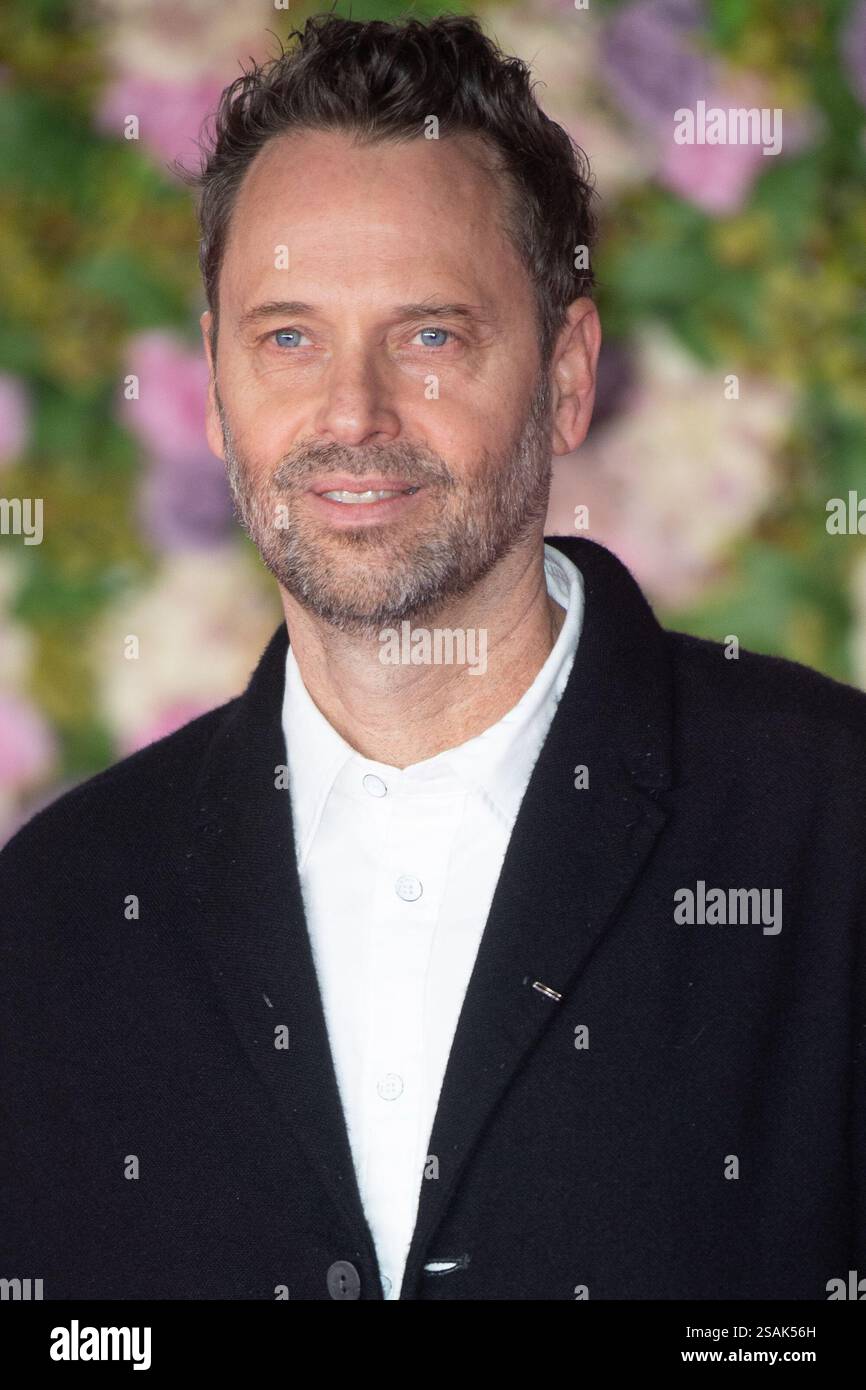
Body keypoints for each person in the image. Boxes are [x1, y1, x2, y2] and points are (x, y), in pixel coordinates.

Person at [1, 13, 863, 1302]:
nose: (351, 414)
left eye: (431, 335)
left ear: (568, 376)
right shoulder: (57, 911)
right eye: (287, 336)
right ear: (218, 384)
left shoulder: (837, 824)